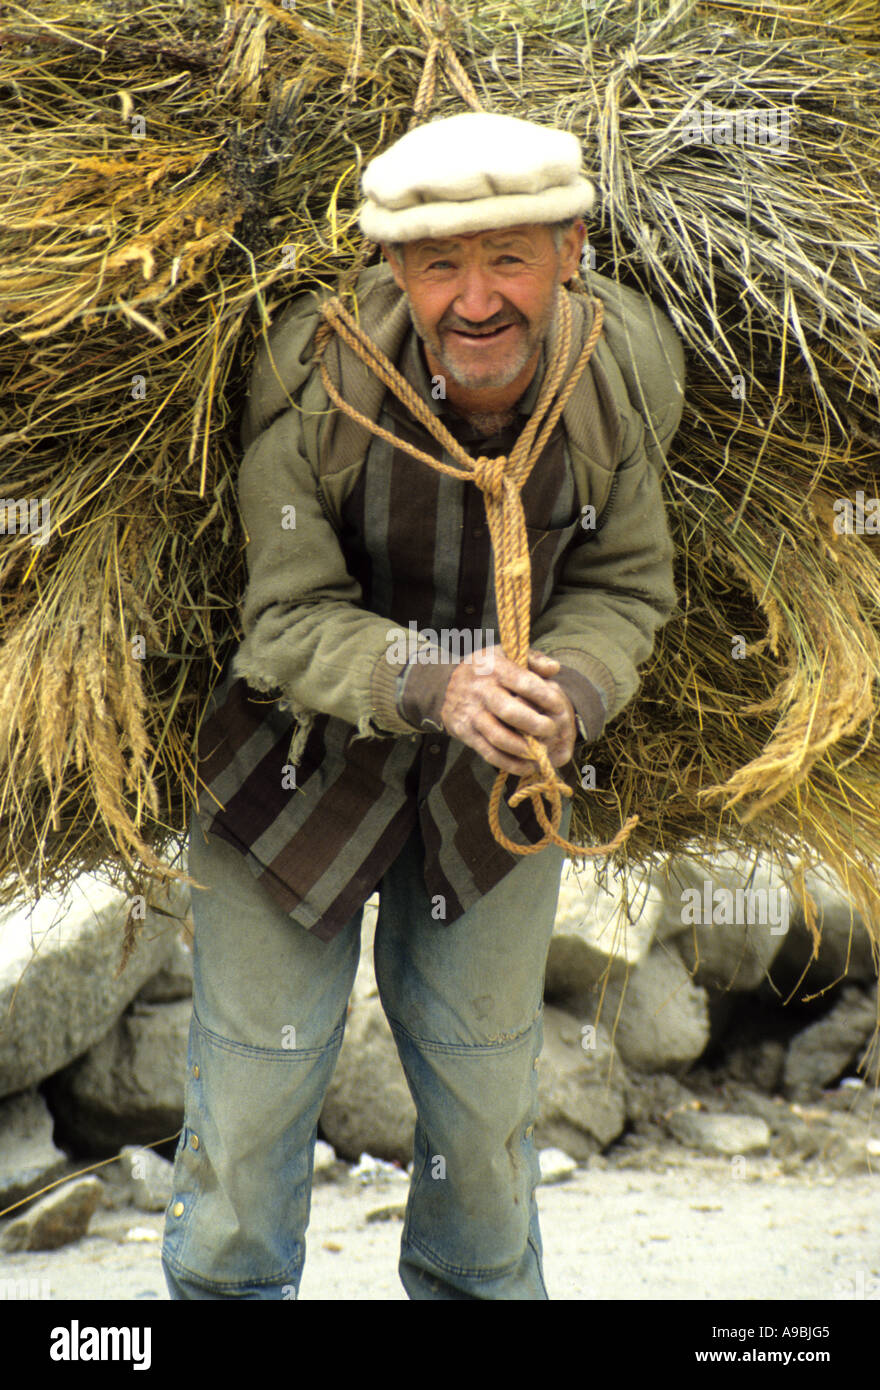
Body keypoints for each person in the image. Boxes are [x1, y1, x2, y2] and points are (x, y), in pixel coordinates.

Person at [161, 110, 681, 1300]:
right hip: (289, 784)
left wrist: (570, 693)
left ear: (572, 250)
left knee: (485, 1124)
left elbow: (624, 583)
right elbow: (285, 622)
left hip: (489, 802)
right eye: (441, 264)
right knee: (246, 1115)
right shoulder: (315, 377)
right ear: (392, 267)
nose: (477, 299)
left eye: (508, 258)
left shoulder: (617, 378)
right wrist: (437, 682)